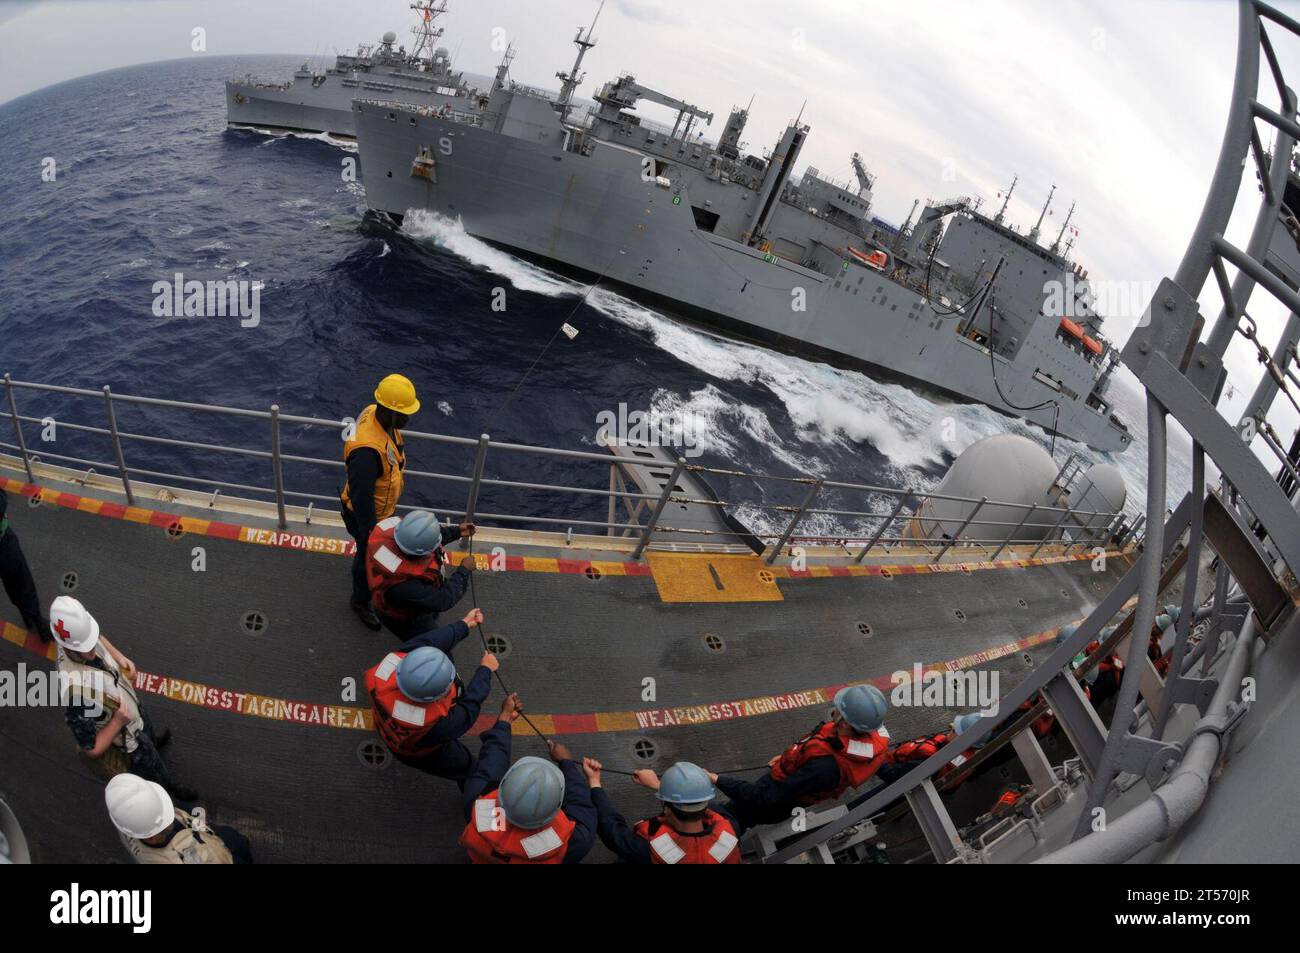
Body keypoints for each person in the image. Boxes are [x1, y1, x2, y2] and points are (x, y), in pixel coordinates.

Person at [50, 596, 196, 800]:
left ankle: (153, 742)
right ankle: (170, 793)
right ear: (67, 646)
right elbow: (91, 748)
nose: (93, 653)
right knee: (154, 774)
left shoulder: (77, 637)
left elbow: (98, 638)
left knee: (148, 732)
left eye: (90, 643)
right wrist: (118, 722)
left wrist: (119, 657)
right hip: (129, 738)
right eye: (85, 649)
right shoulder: (76, 695)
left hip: (131, 708)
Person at [712, 684, 890, 831]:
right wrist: (789, 757)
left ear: (844, 722)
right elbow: (819, 740)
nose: (834, 708)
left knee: (732, 817)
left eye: (839, 708)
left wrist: (717, 779)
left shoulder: (825, 769)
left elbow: (762, 796)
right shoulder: (859, 736)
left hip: (772, 800)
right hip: (789, 782)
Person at [363, 608, 495, 785]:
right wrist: (485, 670)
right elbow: (468, 711)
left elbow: (426, 642)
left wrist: (463, 625)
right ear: (434, 697)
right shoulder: (436, 725)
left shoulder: (387, 667)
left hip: (391, 733)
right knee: (467, 767)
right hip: (422, 753)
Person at [460, 695, 596, 864]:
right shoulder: (573, 842)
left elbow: (491, 762)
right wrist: (567, 763)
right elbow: (581, 806)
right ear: (555, 809)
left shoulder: (477, 801)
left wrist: (505, 719)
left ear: (503, 787)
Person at [341, 374, 420, 630]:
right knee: (366, 558)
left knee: (372, 556)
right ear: (391, 412)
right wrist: (370, 533)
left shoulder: (375, 410)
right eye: (405, 414)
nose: (408, 419)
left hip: (381, 510)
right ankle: (360, 602)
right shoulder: (366, 452)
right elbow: (361, 495)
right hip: (367, 516)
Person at [586, 759, 741, 864]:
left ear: (667, 810)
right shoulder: (731, 829)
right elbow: (712, 809)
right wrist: (660, 786)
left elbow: (611, 828)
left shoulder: (648, 850)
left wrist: (594, 781)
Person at [366, 509, 476, 639]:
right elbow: (443, 599)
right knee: (427, 641)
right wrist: (464, 570)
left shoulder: (391, 532)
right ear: (422, 553)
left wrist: (457, 531)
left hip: (402, 599)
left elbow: (421, 538)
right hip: (406, 619)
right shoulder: (407, 586)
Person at [104, 773, 251, 864]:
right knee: (239, 847)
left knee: (237, 841)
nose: (170, 819)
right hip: (216, 854)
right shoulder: (172, 859)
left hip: (204, 835)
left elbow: (178, 810)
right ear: (152, 838)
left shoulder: (135, 821)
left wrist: (197, 821)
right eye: (165, 824)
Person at [876, 712, 983, 786]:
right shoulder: (967, 761)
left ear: (961, 740)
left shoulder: (931, 761)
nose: (951, 729)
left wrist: (876, 759)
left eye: (954, 730)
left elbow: (895, 778)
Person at [0, 487, 48, 641]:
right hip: (4, 545)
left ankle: (25, 615)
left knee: (10, 584)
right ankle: (38, 622)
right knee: (21, 582)